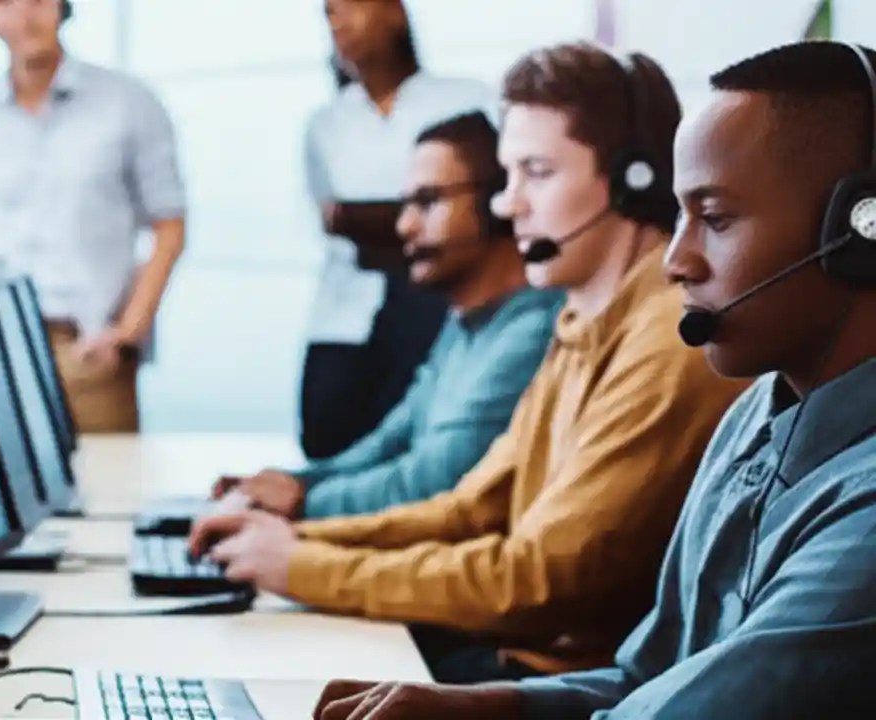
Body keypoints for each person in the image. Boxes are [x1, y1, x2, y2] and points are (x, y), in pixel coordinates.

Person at [309, 40, 876, 720]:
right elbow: (651, 675)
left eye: (716, 219)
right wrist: (482, 707)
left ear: (861, 231)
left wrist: (301, 562)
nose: (677, 259)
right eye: (682, 214)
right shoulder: (755, 418)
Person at [191, 42, 749, 683]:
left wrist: (304, 568)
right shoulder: (584, 321)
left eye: (536, 173)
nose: (508, 204)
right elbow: (470, 508)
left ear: (632, 181)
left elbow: (540, 578)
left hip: (557, 682)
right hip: (519, 658)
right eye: (508, 176)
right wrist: (299, 545)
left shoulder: (664, 343)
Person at [213, 112, 563, 520]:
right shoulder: (465, 322)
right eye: (405, 205)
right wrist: (298, 482)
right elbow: (392, 441)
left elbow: (436, 483)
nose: (405, 226)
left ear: (497, 202)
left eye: (428, 202)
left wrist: (305, 502)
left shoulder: (532, 331)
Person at [0, 0, 185, 433]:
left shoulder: (127, 103)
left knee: (108, 491)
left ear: (62, 8)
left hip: (90, 348)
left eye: (39, 0)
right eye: (9, 3)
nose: (26, 14)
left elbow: (169, 225)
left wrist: (128, 331)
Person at [299, 0, 493, 459]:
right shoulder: (326, 123)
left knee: (419, 443)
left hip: (435, 306)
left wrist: (362, 222)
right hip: (346, 307)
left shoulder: (466, 99)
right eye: (327, 13)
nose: (337, 21)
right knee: (325, 436)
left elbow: (486, 213)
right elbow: (327, 222)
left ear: (394, 12)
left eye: (348, 7)